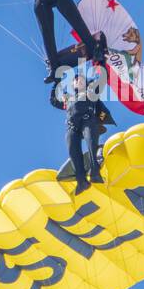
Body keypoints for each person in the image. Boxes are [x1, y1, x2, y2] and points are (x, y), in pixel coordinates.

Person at [53, 61, 113, 195]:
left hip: (87, 120)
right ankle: (81, 180)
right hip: (72, 126)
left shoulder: (91, 91)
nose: (77, 81)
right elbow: (53, 100)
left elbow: (102, 79)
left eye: (80, 79)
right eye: (75, 80)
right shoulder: (67, 99)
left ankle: (94, 171)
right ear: (72, 85)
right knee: (73, 150)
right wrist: (55, 82)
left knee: (91, 141)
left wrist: (99, 62)